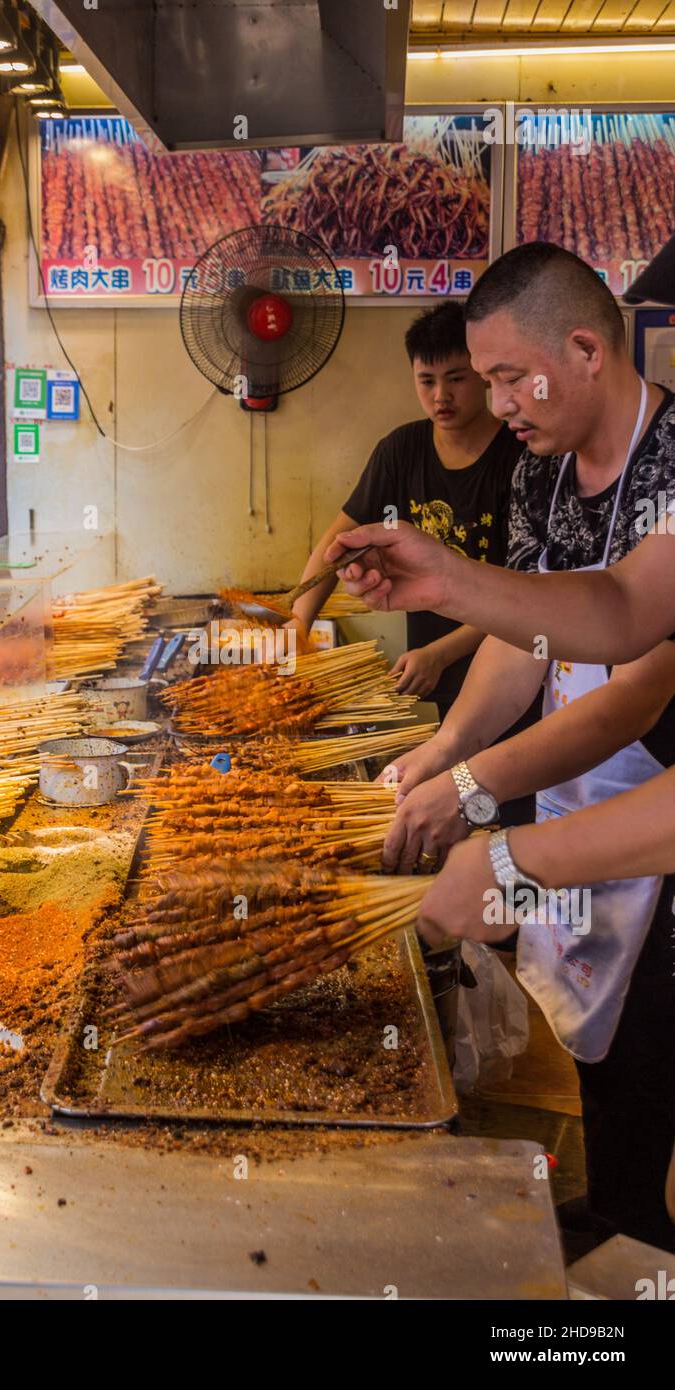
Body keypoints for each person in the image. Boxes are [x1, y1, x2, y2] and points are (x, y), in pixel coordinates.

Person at [325, 242, 675, 1252]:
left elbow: (626, 631)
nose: (493, 403)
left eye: (503, 378)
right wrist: (445, 752)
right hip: (573, 795)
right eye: (477, 382)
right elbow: (533, 640)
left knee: (649, 1034)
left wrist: (486, 806)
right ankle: (613, 1212)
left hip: (639, 799)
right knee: (596, 1038)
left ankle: (638, 1235)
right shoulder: (540, 475)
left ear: (582, 347)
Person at [285, 301, 525, 718]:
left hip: (511, 672)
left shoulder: (519, 458)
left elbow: (525, 592)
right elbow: (335, 542)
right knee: (457, 770)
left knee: (494, 778)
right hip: (435, 672)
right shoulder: (402, 450)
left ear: (484, 377)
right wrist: (298, 623)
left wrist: (441, 653)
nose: (440, 396)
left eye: (456, 379)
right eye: (426, 380)